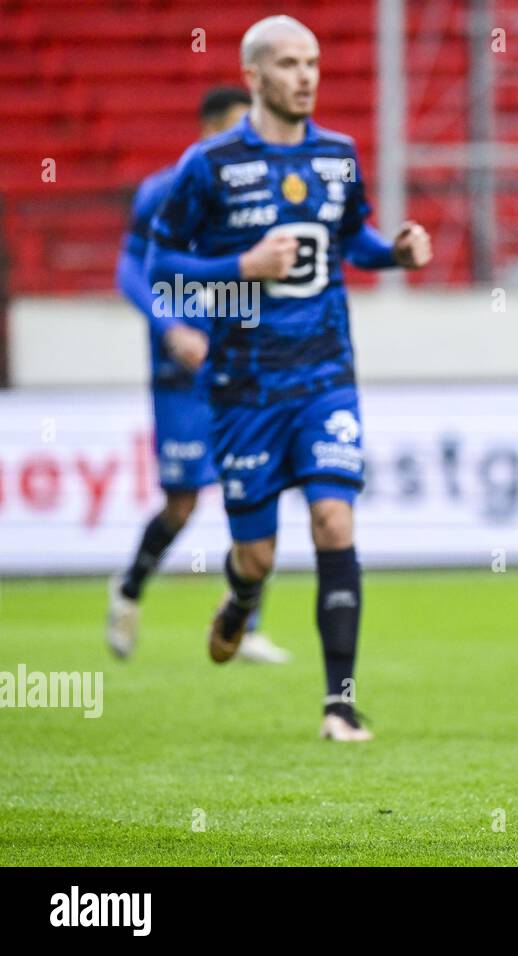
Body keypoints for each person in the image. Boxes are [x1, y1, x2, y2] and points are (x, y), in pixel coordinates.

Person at [147, 16, 432, 741]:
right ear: (253, 77)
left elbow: (353, 240)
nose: (305, 75)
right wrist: (239, 269)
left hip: (326, 376)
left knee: (334, 518)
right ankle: (241, 599)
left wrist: (393, 252)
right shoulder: (208, 166)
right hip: (243, 387)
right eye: (287, 63)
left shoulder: (338, 155)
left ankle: (339, 704)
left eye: (312, 61)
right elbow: (161, 269)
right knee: (259, 554)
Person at [108, 85, 289, 665]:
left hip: (242, 362)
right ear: (211, 130)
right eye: (239, 128)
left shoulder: (257, 192)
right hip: (181, 369)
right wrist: (170, 327)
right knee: (183, 503)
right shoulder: (164, 190)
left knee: (257, 483)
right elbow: (130, 268)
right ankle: (130, 587)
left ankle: (245, 620)